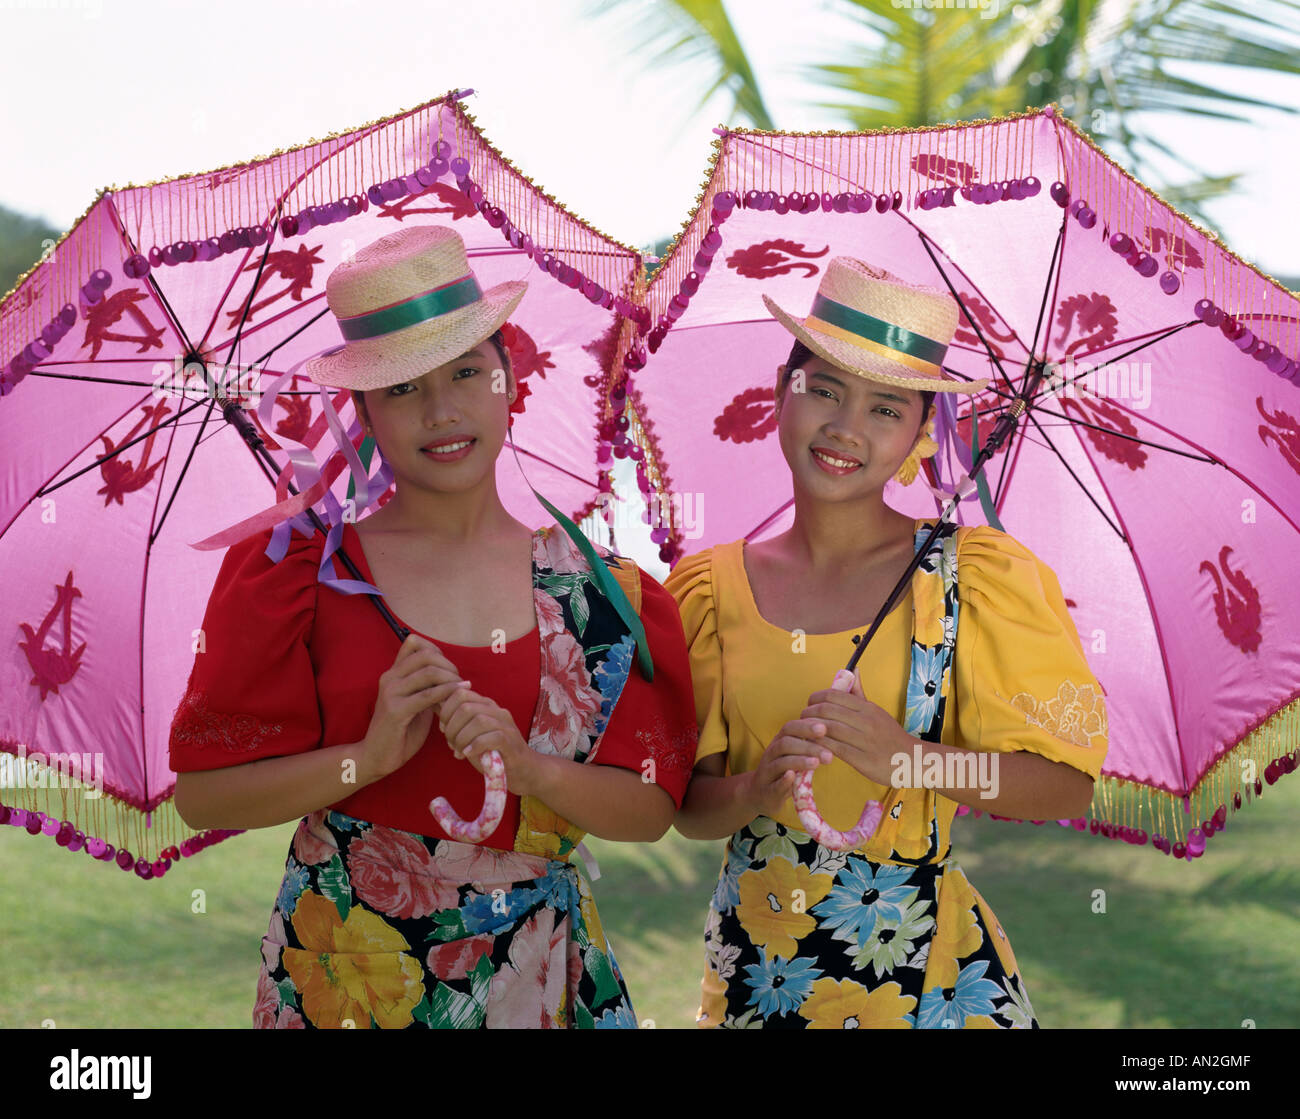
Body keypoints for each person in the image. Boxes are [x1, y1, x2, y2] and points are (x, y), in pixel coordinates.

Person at [168, 224, 699, 1029]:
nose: (442, 411)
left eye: (465, 372)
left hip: (537, 965)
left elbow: (652, 809)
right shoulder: (299, 572)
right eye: (403, 388)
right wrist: (365, 759)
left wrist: (531, 770)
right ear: (365, 412)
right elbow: (204, 795)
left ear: (509, 378)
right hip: (349, 966)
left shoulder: (597, 587)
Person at [664, 257, 1109, 1028]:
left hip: (925, 972)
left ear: (918, 431)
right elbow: (690, 807)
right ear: (780, 394)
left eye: (885, 408)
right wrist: (755, 789)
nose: (844, 428)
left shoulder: (970, 579)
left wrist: (909, 758)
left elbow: (1063, 785)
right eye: (824, 390)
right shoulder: (708, 591)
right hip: (761, 967)